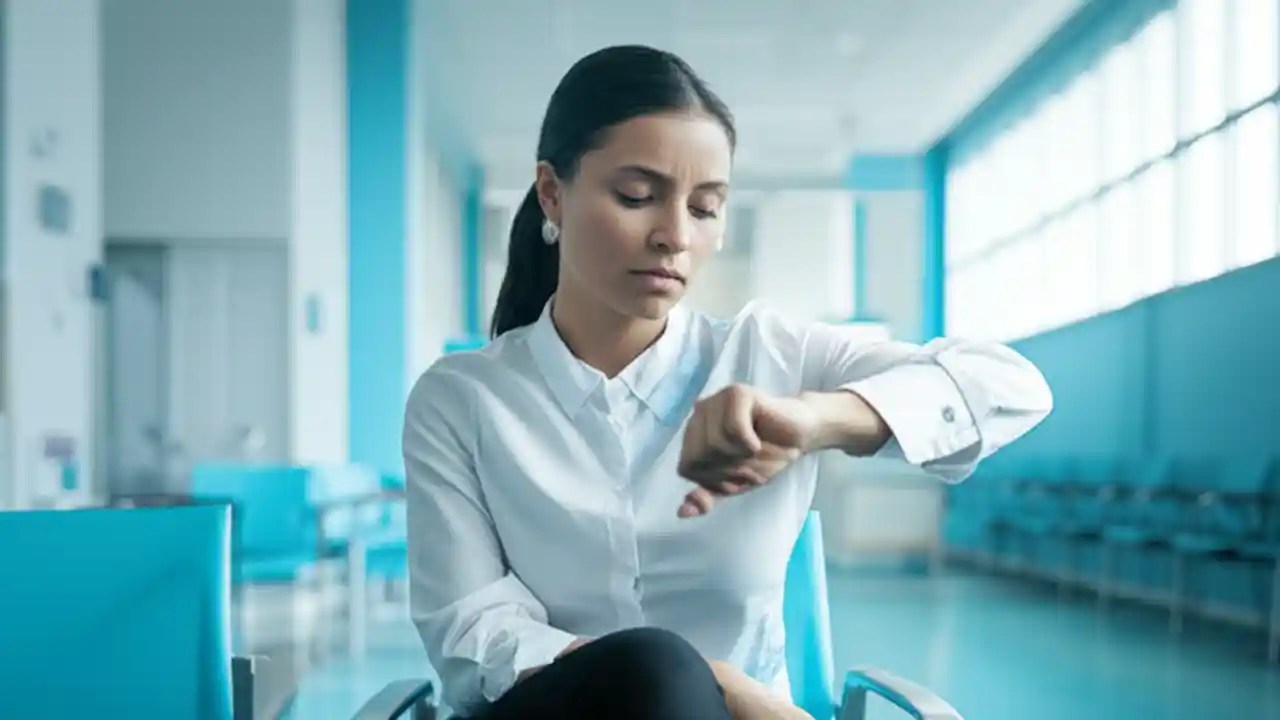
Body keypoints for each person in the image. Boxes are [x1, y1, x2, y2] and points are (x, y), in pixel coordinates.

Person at [403, 45, 1053, 720]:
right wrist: (718, 683)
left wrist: (817, 421)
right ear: (551, 193)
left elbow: (1010, 388)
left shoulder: (770, 356)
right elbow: (472, 629)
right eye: (636, 197)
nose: (675, 236)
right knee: (657, 666)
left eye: (706, 207)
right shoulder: (461, 398)